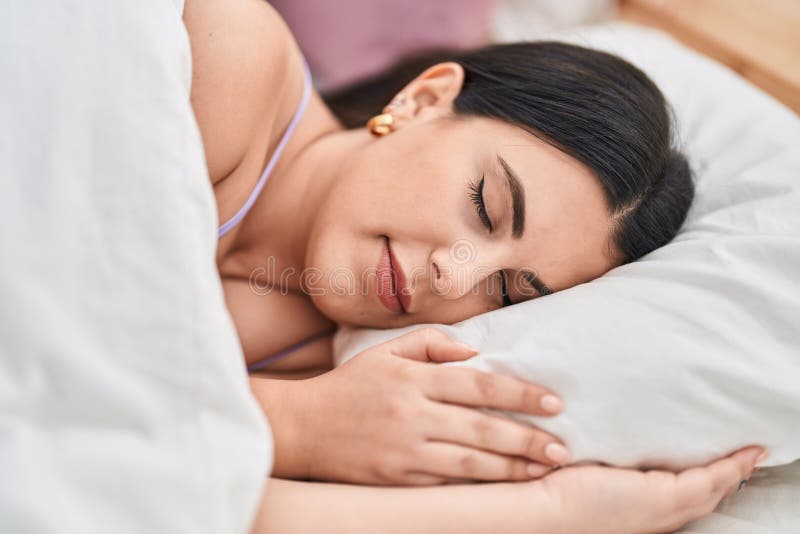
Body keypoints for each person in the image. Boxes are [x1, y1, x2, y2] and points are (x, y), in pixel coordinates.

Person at [183, 2, 764, 531]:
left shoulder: (331, 369)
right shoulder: (224, 57)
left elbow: (184, 500)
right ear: (423, 101)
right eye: (485, 205)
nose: (455, 277)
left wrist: (555, 511)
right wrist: (299, 423)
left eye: (507, 292)